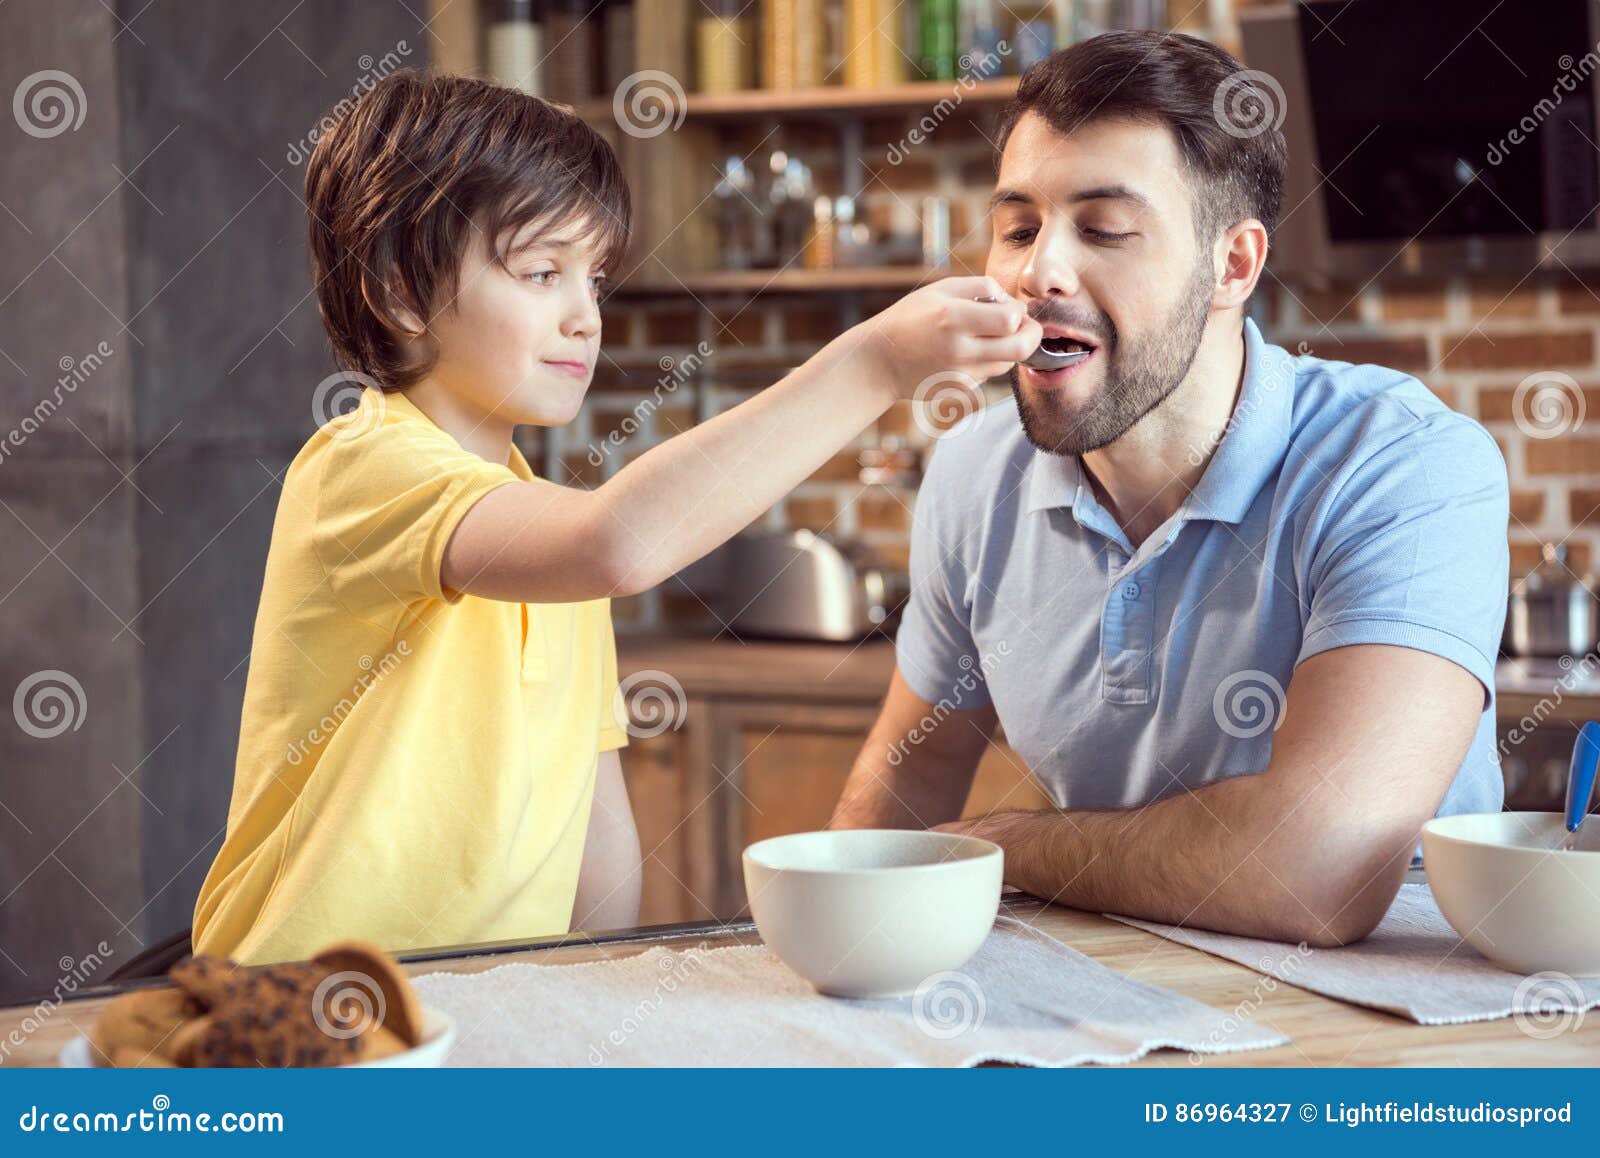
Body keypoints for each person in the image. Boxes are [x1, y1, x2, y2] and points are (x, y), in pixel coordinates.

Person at [192, 70, 1041, 964]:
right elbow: (620, 543)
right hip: (296, 1017)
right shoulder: (365, 469)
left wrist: (606, 990)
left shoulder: (545, 528)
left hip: (486, 1019)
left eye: (593, 278)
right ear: (400, 291)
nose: (585, 316)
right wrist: (876, 364)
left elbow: (596, 828)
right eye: (542, 272)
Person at [828, 32, 1510, 947]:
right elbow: (906, 782)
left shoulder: (1403, 464)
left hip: (1384, 1024)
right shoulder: (974, 474)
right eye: (1019, 227)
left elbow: (1316, 875)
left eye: (1104, 229)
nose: (1039, 273)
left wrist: (1004, 847)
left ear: (1233, 265)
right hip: (1113, 982)